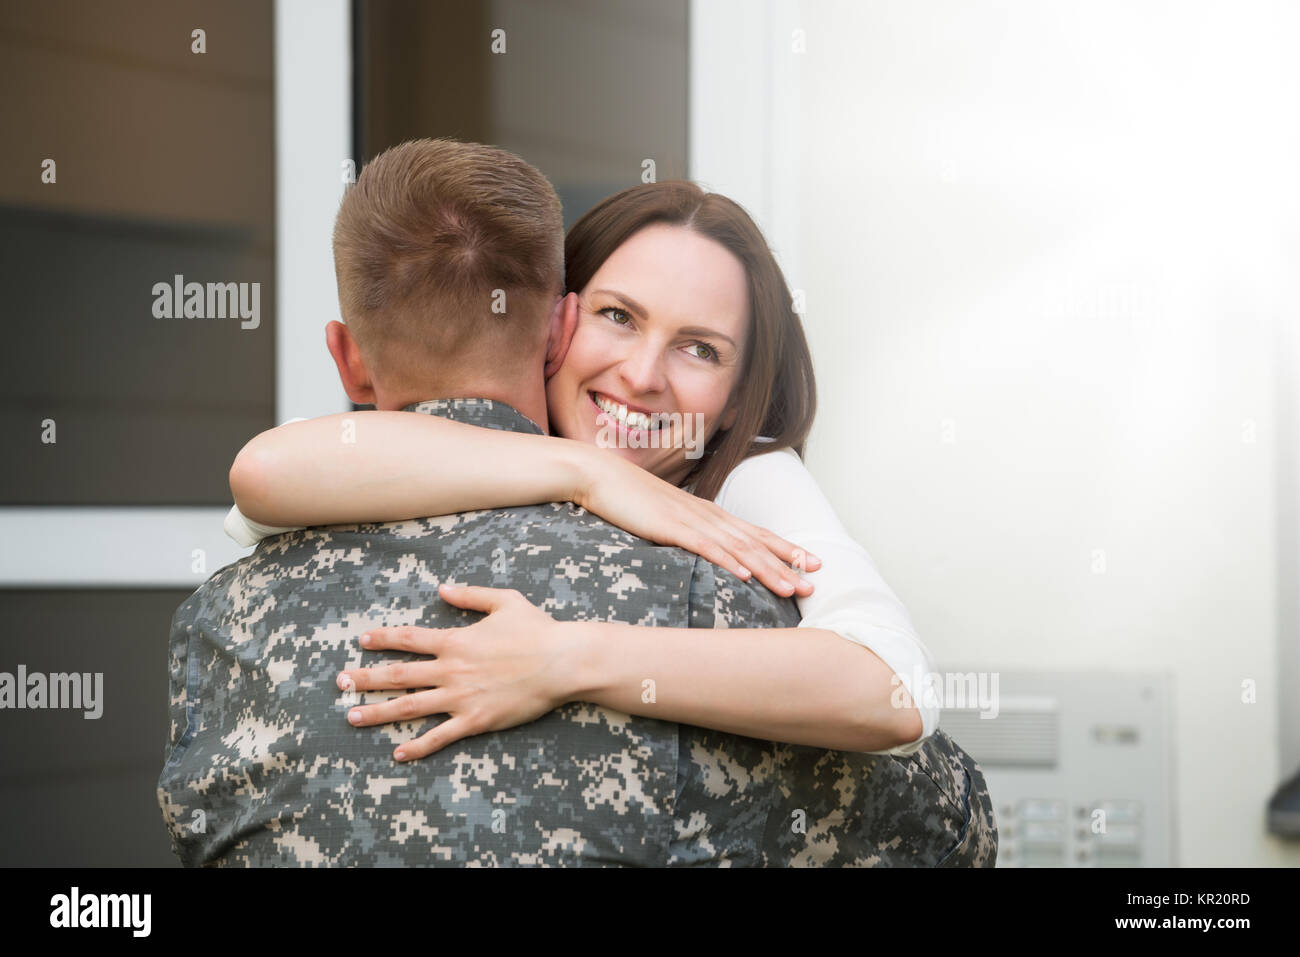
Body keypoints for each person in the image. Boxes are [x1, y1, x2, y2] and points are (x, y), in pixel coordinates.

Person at [160, 137, 995, 866]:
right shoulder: (602, 509)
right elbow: (267, 469)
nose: (641, 374)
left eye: (700, 348)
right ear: (559, 327)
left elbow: (891, 689)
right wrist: (586, 471)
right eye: (617, 316)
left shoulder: (753, 491)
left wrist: (567, 658)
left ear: (740, 402)